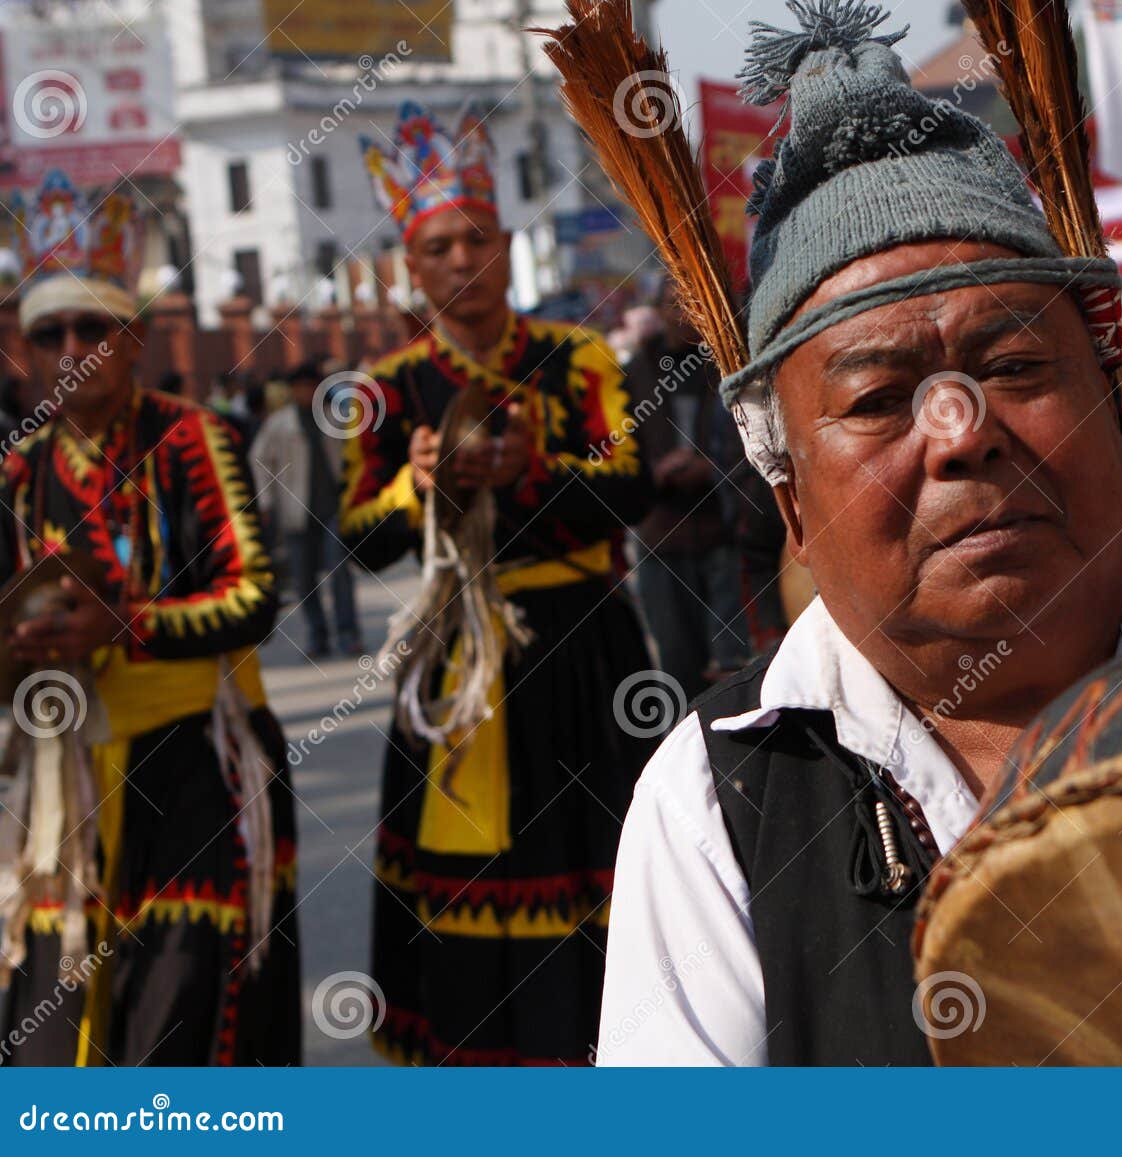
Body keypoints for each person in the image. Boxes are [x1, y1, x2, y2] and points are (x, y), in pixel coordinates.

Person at [594, 2, 1122, 1066]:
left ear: (1120, 422)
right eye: (880, 396)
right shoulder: (717, 803)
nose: (961, 434)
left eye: (1017, 367)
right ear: (791, 501)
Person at [345, 101, 656, 1065]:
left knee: (599, 862)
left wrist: (535, 468)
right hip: (454, 665)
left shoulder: (578, 360)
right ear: (409, 263)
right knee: (460, 876)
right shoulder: (388, 389)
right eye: (437, 245)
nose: (459, 260)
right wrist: (419, 483)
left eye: (477, 238)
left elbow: (629, 488)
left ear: (509, 246)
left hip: (581, 648)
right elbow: (361, 537)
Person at [0, 170, 300, 1065]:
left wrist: (121, 624)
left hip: (193, 768)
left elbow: (254, 597)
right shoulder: (20, 474)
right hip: (62, 782)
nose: (72, 346)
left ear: (133, 338)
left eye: (94, 325)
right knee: (51, 1031)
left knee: (176, 1026)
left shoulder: (191, 438)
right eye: (49, 331)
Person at [626, 282, 750, 699]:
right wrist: (652, 473)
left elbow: (752, 447)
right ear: (657, 310)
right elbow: (617, 451)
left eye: (689, 305)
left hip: (723, 536)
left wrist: (711, 470)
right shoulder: (635, 372)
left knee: (732, 670)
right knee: (678, 669)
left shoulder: (728, 366)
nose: (680, 315)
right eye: (671, 305)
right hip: (662, 540)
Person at [250, 361, 363, 657]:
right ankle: (317, 635)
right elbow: (259, 461)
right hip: (295, 509)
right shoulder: (279, 424)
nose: (304, 392)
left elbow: (355, 455)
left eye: (309, 386)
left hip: (332, 508)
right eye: (298, 387)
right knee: (304, 578)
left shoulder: (335, 418)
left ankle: (348, 633)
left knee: (339, 572)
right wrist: (265, 500)